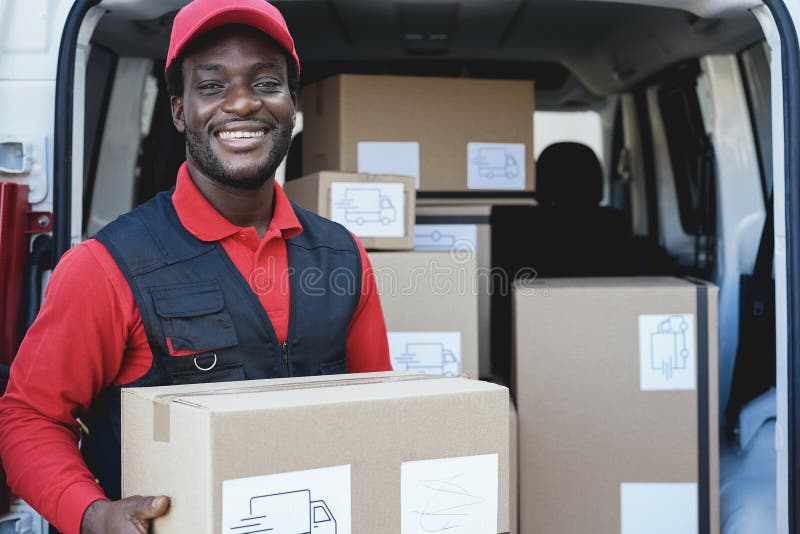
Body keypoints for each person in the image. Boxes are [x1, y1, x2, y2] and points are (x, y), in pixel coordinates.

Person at [0, 1, 391, 532]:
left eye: (266, 82)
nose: (242, 103)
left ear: (292, 106)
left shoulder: (343, 255)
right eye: (211, 86)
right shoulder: (105, 266)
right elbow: (29, 419)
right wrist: (91, 513)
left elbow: (379, 411)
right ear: (180, 111)